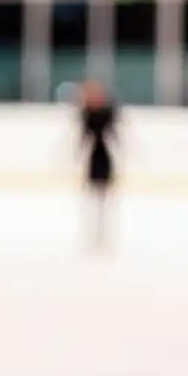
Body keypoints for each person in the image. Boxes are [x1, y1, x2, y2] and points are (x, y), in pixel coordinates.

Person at [79, 80, 119, 256]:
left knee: (104, 199)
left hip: (104, 158)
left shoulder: (108, 113)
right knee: (92, 198)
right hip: (93, 158)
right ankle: (92, 234)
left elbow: (114, 135)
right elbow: (83, 137)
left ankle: (103, 234)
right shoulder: (86, 114)